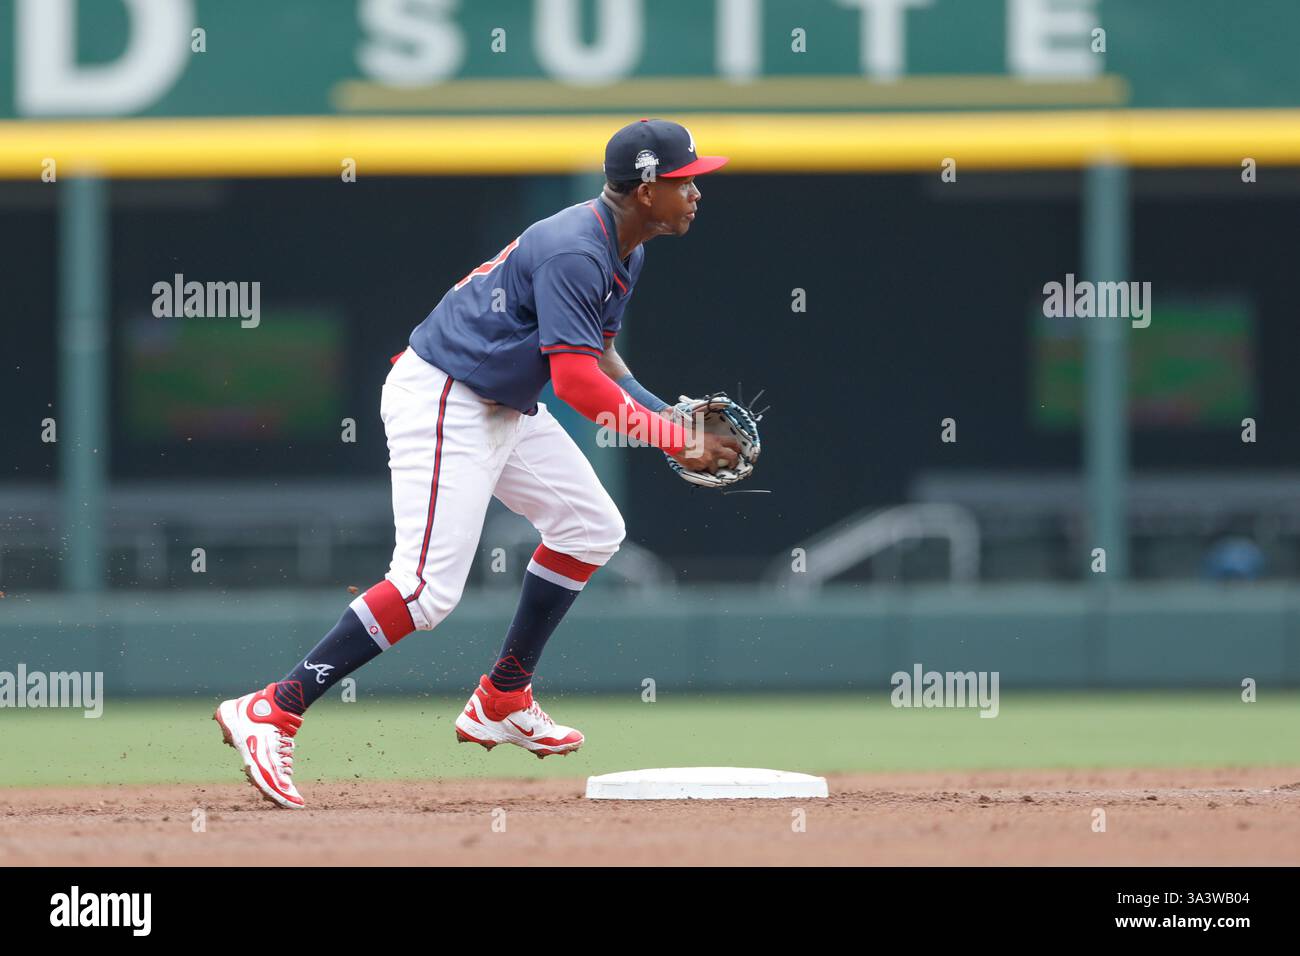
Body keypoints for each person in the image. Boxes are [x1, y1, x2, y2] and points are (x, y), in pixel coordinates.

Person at [214, 119, 740, 808]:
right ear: (645, 191)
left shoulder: (623, 248)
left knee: (590, 528)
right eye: (683, 181)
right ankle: (272, 708)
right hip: (446, 397)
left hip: (503, 402)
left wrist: (662, 413)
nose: (696, 191)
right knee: (425, 591)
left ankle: (502, 696)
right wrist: (670, 438)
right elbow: (578, 384)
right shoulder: (577, 251)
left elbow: (598, 356)